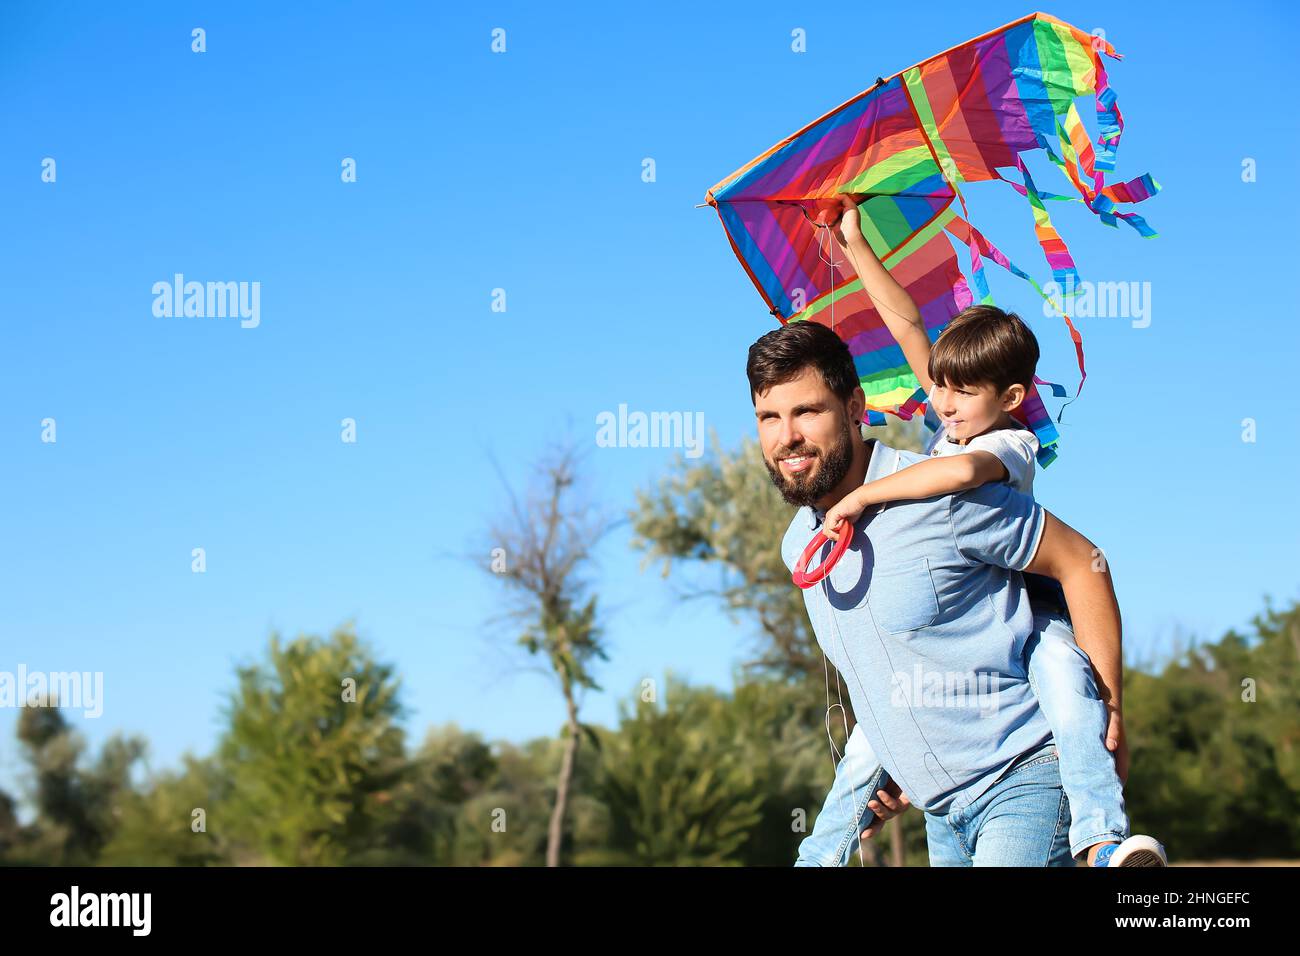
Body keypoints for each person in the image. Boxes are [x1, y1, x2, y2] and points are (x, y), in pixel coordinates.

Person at [749, 313, 1162, 866]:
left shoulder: (944, 496)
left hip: (1026, 778)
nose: (787, 436)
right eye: (768, 417)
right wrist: (904, 760)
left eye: (807, 411)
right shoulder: (799, 545)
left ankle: (1104, 840)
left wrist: (1106, 710)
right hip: (940, 814)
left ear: (854, 408)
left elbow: (1084, 564)